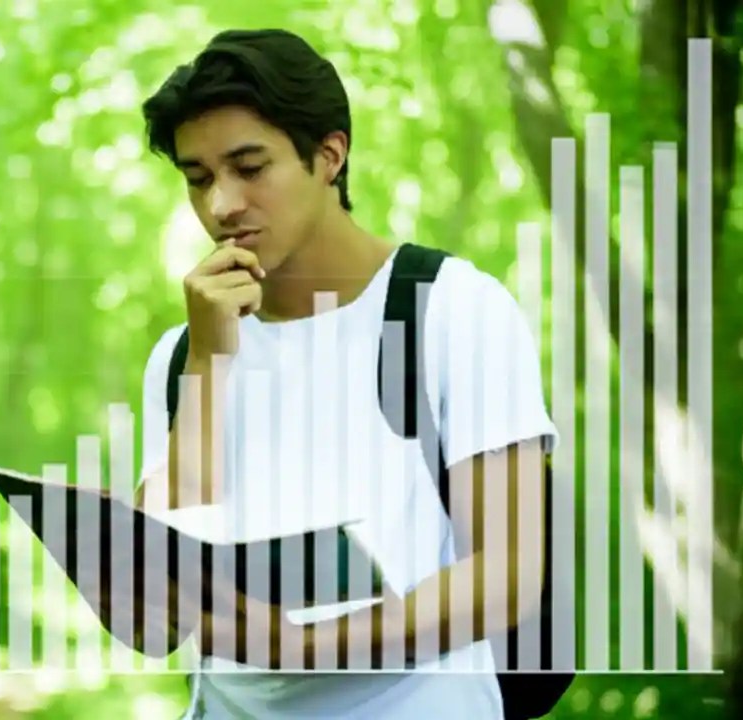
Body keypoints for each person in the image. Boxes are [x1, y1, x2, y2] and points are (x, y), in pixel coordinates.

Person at [131, 29, 559, 719]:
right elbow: (151, 616)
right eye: (198, 178)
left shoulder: (452, 309)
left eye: (249, 167)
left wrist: (311, 644)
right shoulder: (185, 353)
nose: (221, 206)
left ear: (329, 155)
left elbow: (507, 577)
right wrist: (209, 366)